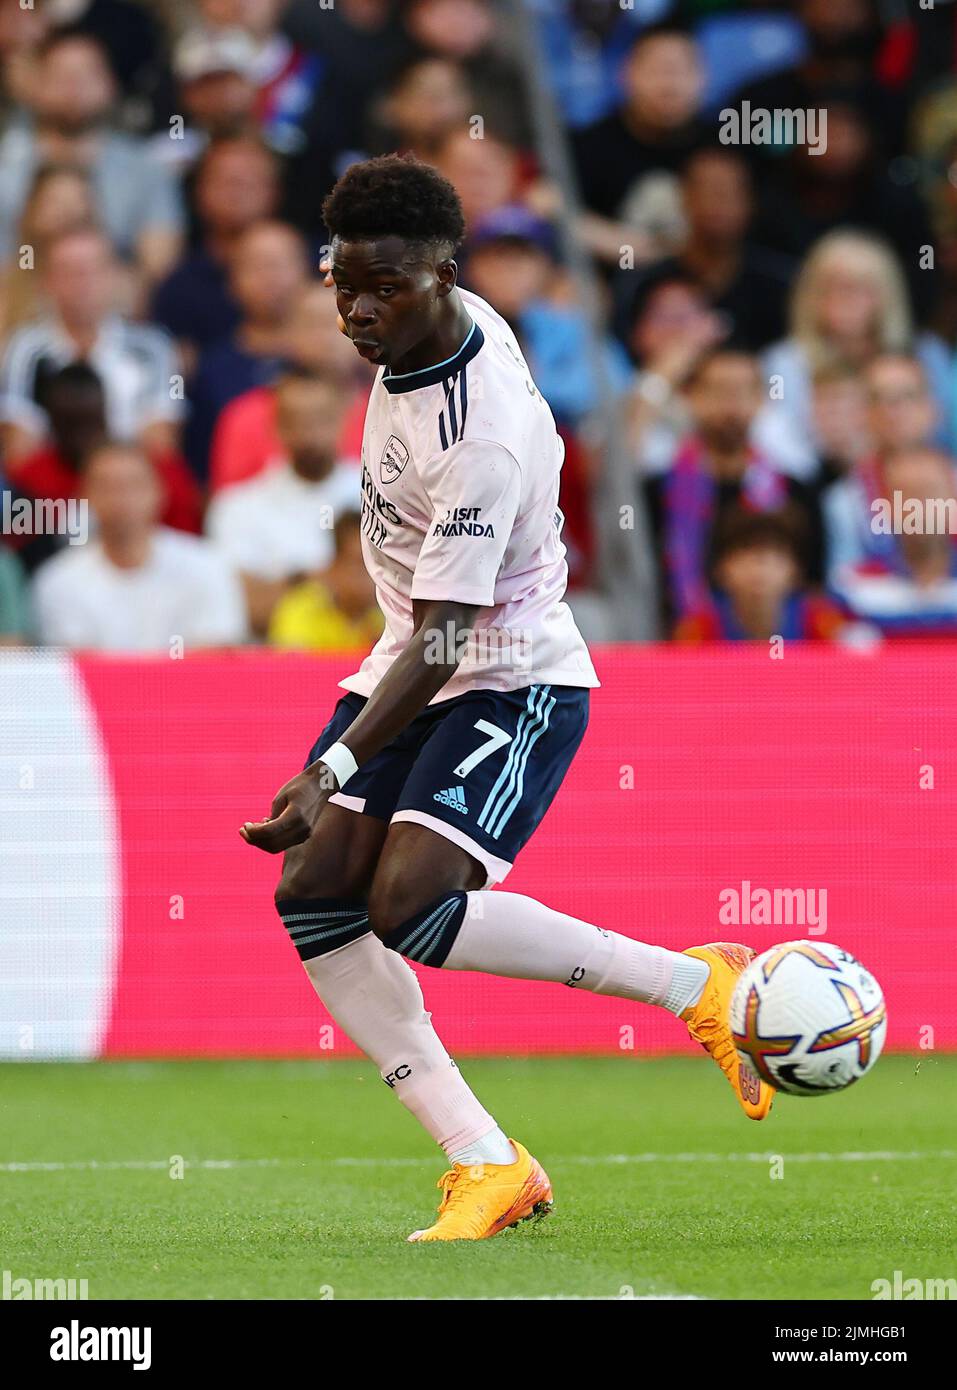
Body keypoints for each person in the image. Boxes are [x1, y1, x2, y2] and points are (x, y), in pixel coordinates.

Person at [240, 154, 774, 1246]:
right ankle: (487, 1161)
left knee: (411, 907)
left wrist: (334, 764)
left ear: (445, 273)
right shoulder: (433, 324)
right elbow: (420, 630)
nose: (356, 311)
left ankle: (693, 986)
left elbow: (450, 634)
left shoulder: (481, 435)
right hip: (413, 653)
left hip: (509, 672)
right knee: (316, 892)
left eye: (382, 288)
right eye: (343, 283)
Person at [0, 31, 185, 284]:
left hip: (120, 313)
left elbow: (159, 273)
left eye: (88, 74)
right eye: (61, 76)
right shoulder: (5, 168)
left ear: (111, 84)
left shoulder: (147, 170)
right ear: (36, 86)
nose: (75, 87)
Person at [32, 442, 247, 651]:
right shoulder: (57, 580)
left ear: (160, 491)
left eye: (134, 485)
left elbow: (214, 657)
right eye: (106, 487)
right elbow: (75, 668)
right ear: (85, 496)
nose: (121, 499)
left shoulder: (208, 567)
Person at [0, 226, 184, 463]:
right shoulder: (26, 348)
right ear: (46, 282)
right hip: (51, 488)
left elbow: (162, 442)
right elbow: (19, 448)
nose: (82, 283)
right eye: (69, 272)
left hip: (129, 483)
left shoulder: (154, 346)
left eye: (92, 270)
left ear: (114, 276)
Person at [205, 369, 361, 636]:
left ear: (343, 419)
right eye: (296, 421)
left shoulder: (381, 495)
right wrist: (339, 582)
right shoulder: (236, 507)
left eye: (321, 419)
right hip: (274, 663)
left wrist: (290, 584)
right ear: (275, 426)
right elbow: (248, 610)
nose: (310, 433)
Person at [828, 446, 957, 634]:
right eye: (906, 495)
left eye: (930, 491)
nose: (920, 506)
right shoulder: (852, 586)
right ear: (887, 507)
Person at [673, 506, 848, 644]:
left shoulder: (822, 624)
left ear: (796, 571)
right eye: (745, 553)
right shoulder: (697, 631)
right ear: (720, 569)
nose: (760, 568)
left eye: (775, 556)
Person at [268, 509, 384, 651]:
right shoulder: (301, 612)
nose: (372, 575)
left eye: (379, 563)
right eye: (360, 564)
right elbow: (293, 669)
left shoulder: (390, 618)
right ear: (335, 566)